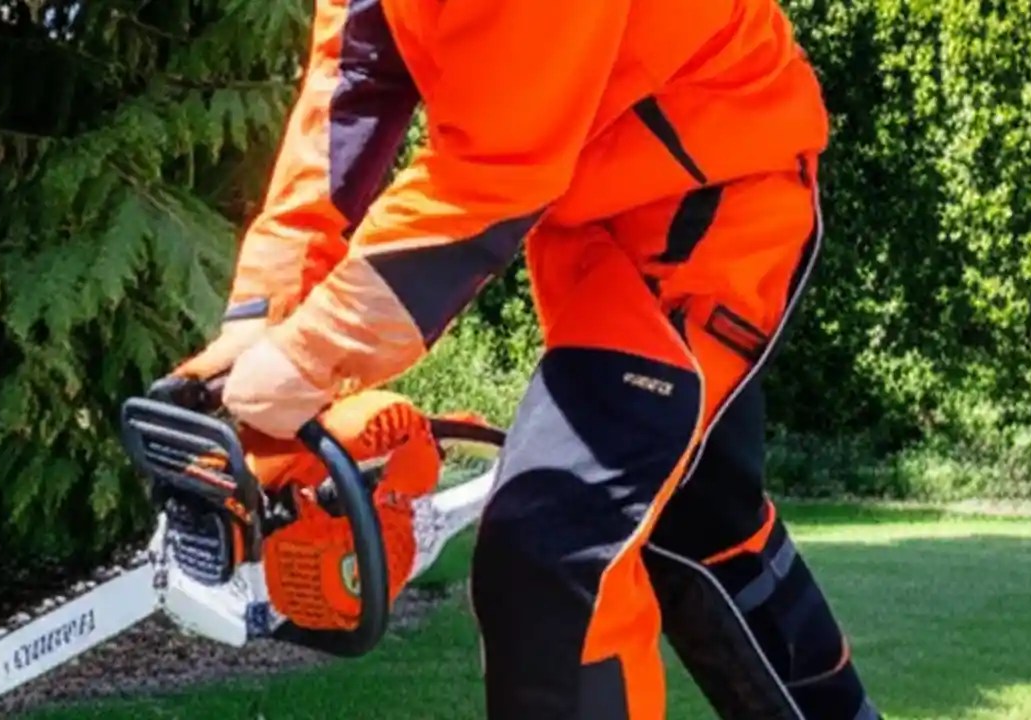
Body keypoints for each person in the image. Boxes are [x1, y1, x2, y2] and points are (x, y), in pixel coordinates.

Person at [155, 0, 883, 717]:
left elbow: (493, 171)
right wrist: (258, 318)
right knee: (704, 524)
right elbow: (346, 100)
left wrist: (308, 359)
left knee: (552, 555)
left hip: (716, 207)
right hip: (594, 231)